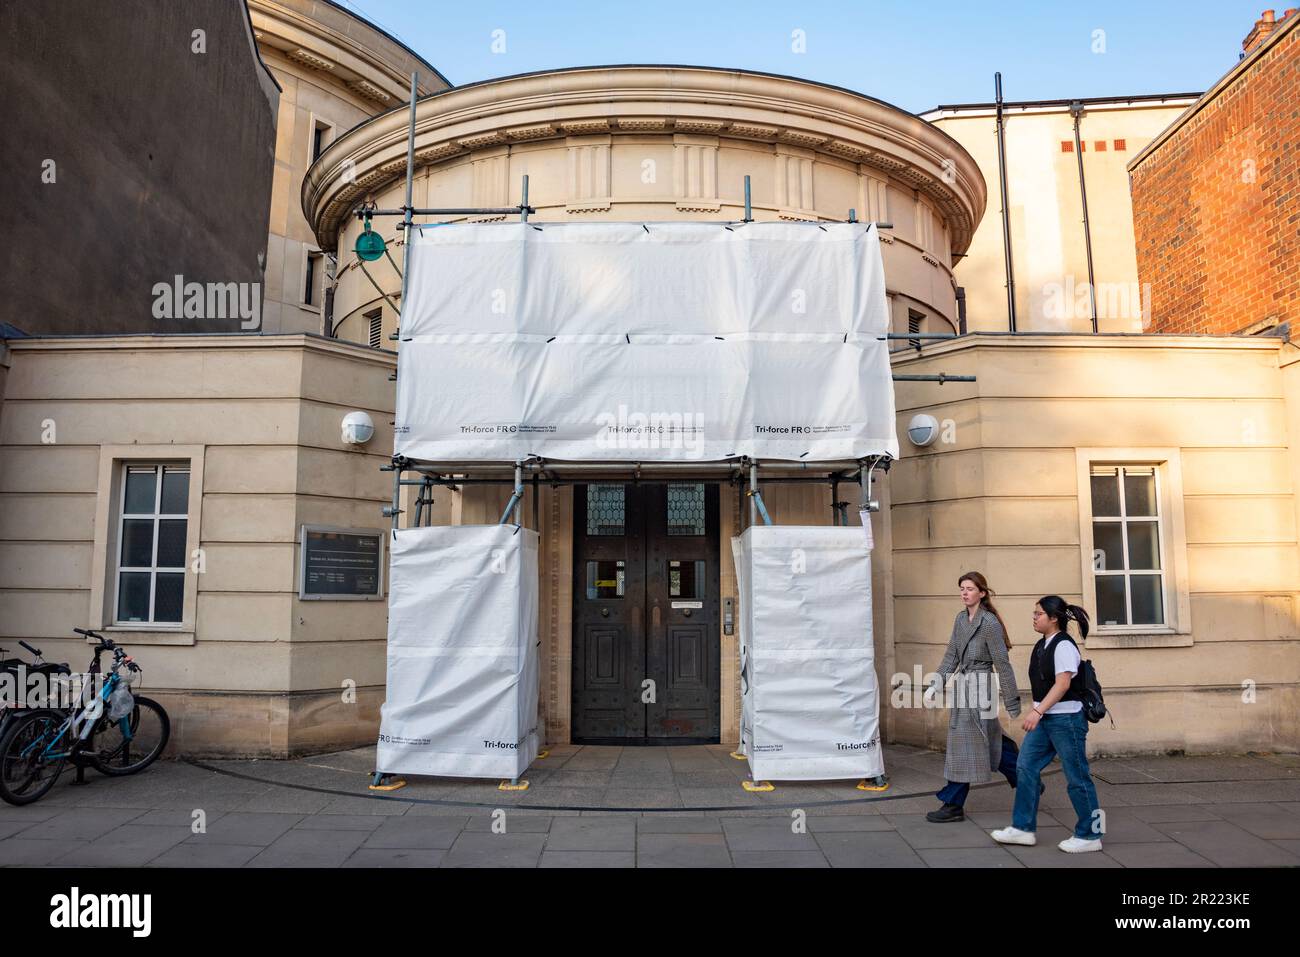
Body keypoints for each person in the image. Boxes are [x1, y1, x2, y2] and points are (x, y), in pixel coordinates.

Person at [991, 596, 1103, 853]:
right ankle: (1022, 828)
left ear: (1054, 618)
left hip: (1067, 720)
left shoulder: (1063, 646)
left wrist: (1037, 711)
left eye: (1038, 614)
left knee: (1078, 776)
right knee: (1025, 766)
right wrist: (1039, 710)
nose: (1034, 617)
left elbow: (1063, 685)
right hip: (1048, 718)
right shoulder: (1043, 644)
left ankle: (1091, 834)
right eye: (1034, 613)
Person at [924, 572, 1024, 824]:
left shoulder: (989, 623)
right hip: (964, 687)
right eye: (961, 589)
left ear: (982, 592)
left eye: (969, 588)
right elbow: (951, 656)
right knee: (991, 741)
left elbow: (1002, 663)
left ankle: (953, 804)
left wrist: (1012, 701)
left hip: (982, 688)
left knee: (965, 745)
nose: (964, 593)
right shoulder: (960, 619)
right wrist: (935, 684)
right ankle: (1026, 779)